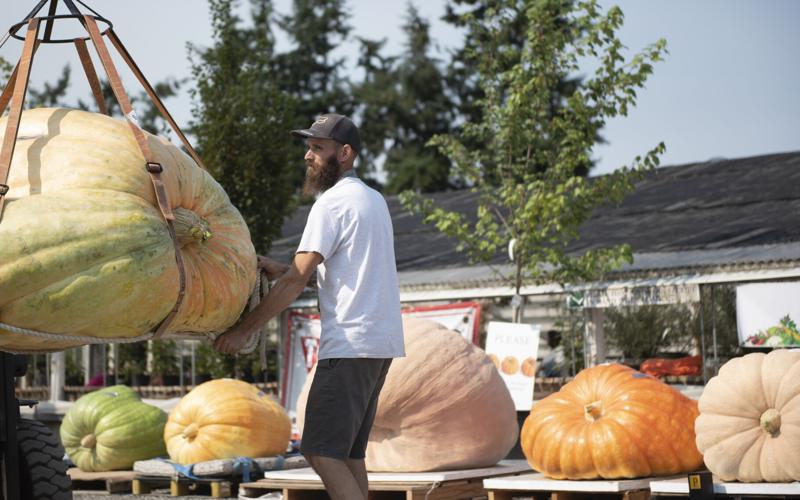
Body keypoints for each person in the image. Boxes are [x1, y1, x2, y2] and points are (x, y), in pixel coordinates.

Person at [214, 113, 405, 500]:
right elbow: (347, 272)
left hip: (350, 345)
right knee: (348, 454)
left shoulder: (330, 204)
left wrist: (243, 330)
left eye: (318, 148)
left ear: (345, 153)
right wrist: (283, 268)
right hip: (378, 343)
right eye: (309, 147)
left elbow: (296, 281)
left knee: (319, 449)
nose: (308, 156)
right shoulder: (373, 200)